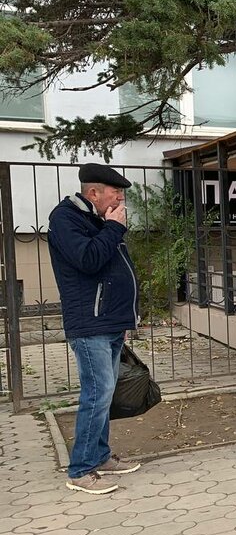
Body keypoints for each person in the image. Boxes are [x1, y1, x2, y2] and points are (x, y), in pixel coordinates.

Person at [49, 163, 142, 494]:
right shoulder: (66, 219)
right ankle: (81, 470)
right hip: (89, 324)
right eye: (115, 193)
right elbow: (88, 260)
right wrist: (114, 228)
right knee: (97, 392)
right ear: (93, 193)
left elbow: (115, 270)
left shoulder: (99, 220)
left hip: (109, 322)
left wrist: (124, 319)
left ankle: (100, 457)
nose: (120, 200)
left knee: (105, 392)